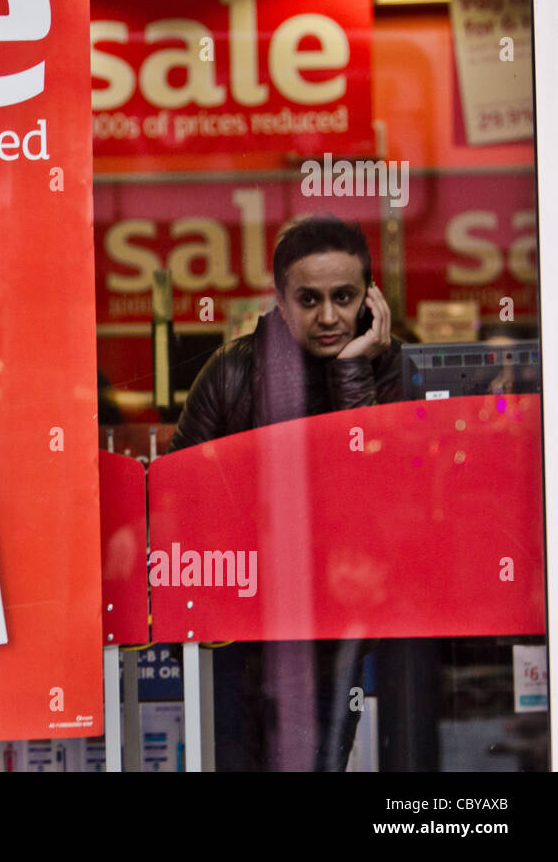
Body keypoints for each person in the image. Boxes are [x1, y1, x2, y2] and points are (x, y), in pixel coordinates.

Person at [166, 213, 403, 770]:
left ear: (371, 298)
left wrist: (352, 374)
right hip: (236, 641)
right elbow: (175, 502)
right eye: (309, 299)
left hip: (334, 643)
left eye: (344, 297)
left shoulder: (391, 370)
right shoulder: (233, 372)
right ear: (280, 299)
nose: (328, 317)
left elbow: (372, 506)